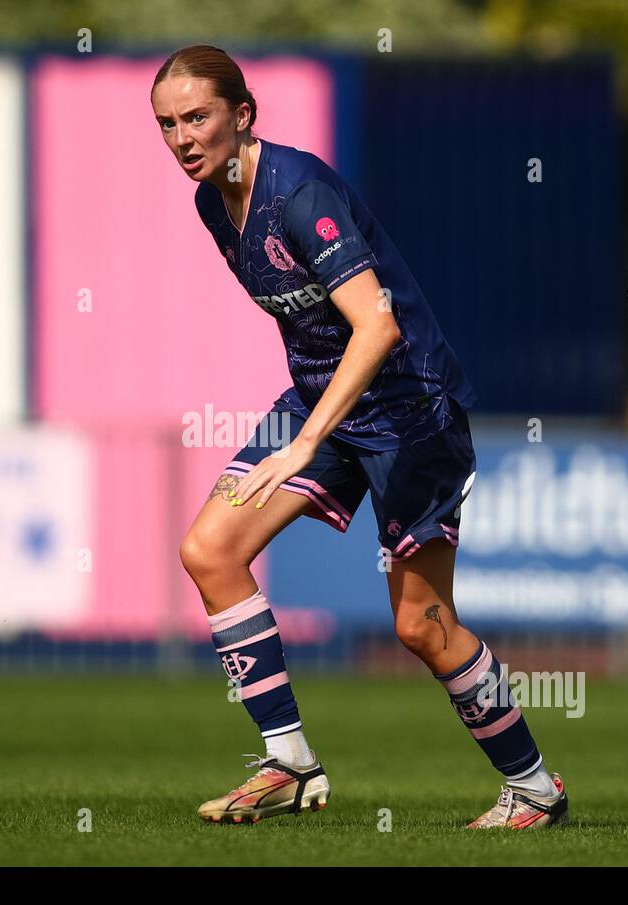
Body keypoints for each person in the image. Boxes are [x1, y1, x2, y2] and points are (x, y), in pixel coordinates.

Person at [152, 45, 568, 827]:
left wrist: (305, 444)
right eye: (168, 124)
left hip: (411, 410)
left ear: (243, 115)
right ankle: (291, 766)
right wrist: (311, 428)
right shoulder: (214, 204)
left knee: (422, 627)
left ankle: (536, 790)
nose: (182, 137)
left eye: (197, 117)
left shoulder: (298, 189)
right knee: (210, 550)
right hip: (325, 399)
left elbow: (375, 325)